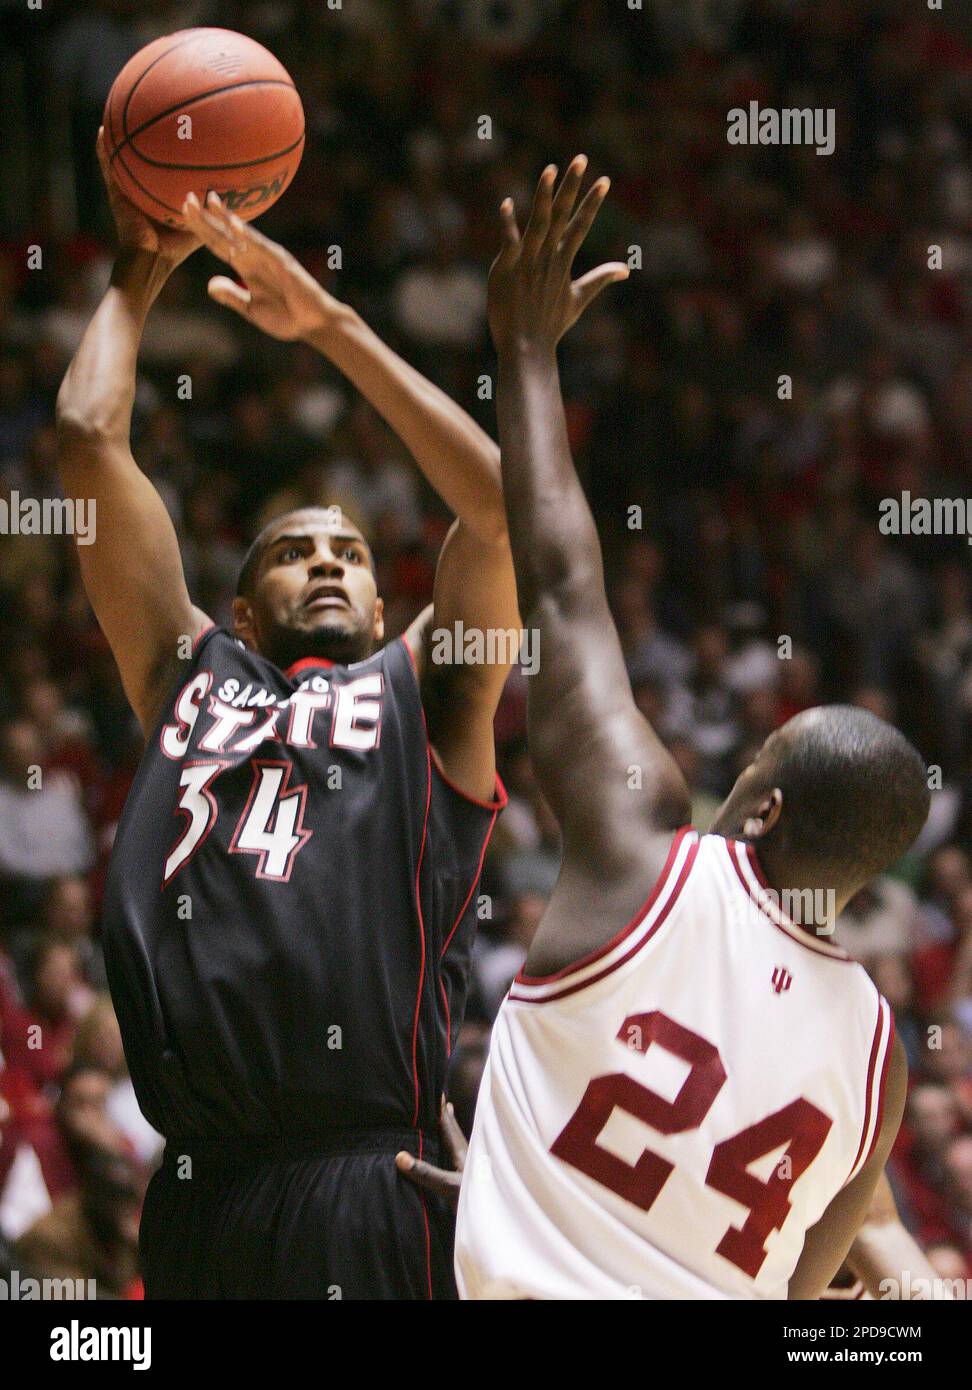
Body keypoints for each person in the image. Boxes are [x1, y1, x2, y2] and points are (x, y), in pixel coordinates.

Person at [448, 158, 924, 1299]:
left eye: (746, 764)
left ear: (761, 803)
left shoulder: (642, 854)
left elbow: (562, 585)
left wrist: (521, 351)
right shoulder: (878, 1056)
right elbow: (806, 1300)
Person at [54, 133, 518, 1299]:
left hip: (369, 1176)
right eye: (293, 551)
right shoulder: (192, 674)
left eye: (351, 552)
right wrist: (137, 264)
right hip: (203, 1184)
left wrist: (333, 331)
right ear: (245, 608)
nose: (326, 562)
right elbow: (85, 441)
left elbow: (509, 515)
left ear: (381, 589)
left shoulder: (430, 686)